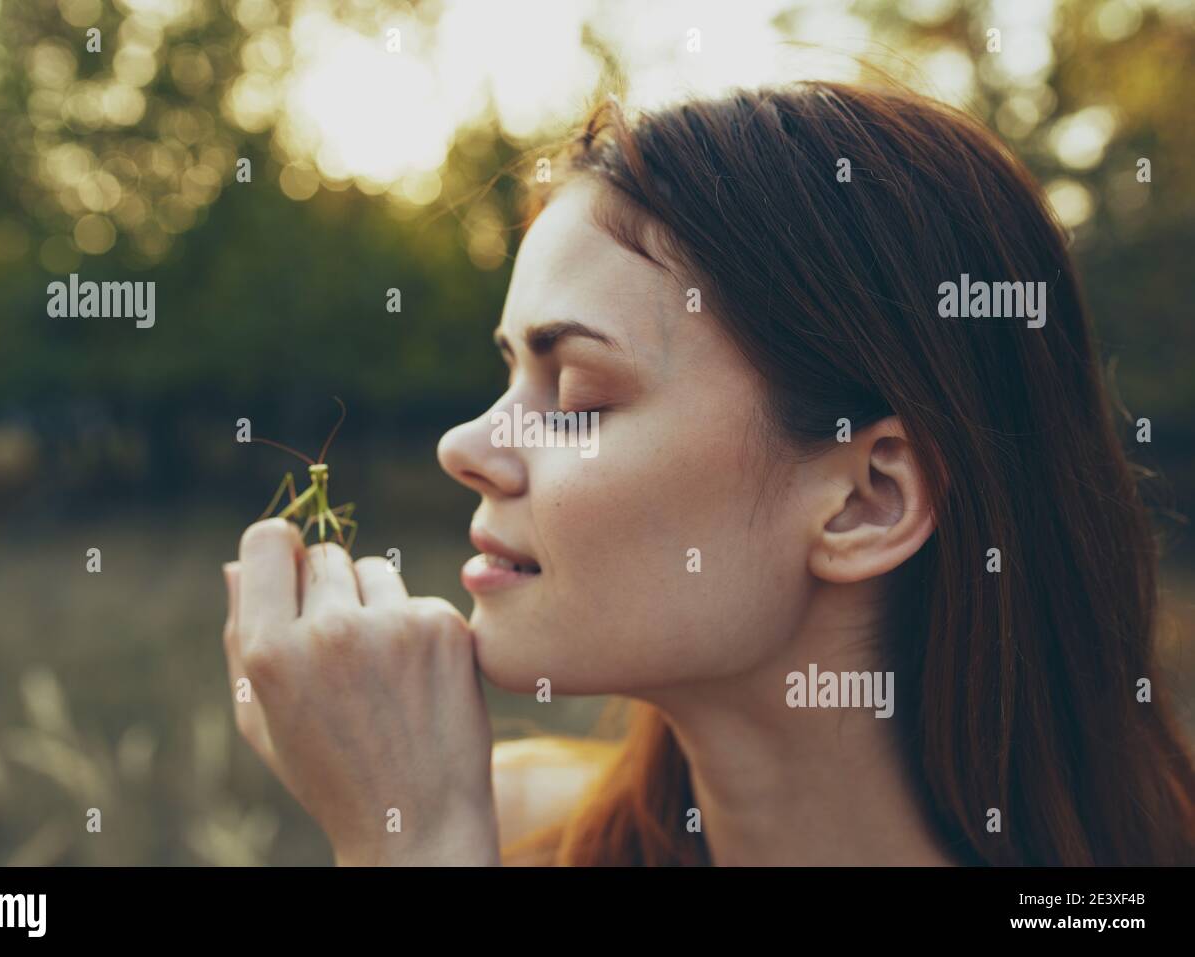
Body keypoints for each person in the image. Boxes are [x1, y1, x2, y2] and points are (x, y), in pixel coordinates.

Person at [221, 81, 1195, 866]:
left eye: (580, 397)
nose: (462, 447)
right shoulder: (508, 823)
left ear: (866, 501)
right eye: (508, 370)